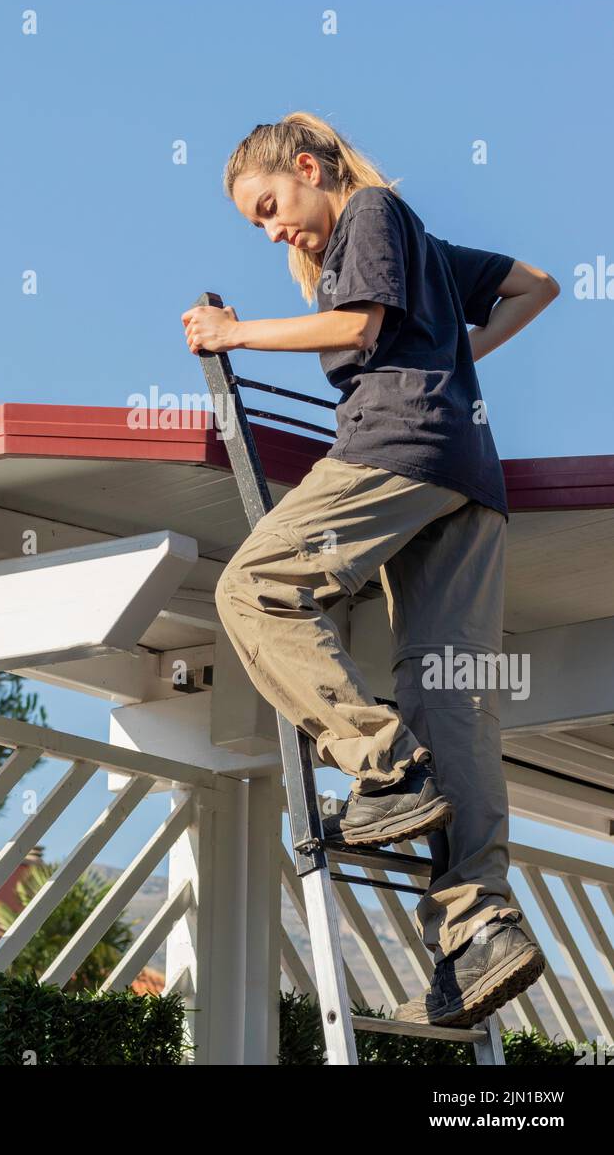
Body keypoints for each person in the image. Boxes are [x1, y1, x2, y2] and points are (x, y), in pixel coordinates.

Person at [181, 111, 559, 1028]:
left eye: (270, 205)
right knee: (449, 696)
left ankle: (385, 770)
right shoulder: (417, 238)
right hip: (468, 480)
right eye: (258, 224)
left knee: (255, 587)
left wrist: (234, 335)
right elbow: (536, 285)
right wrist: (459, 359)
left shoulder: (374, 213)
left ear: (309, 168)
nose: (274, 229)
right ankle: (481, 927)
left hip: (397, 450)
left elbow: (358, 320)